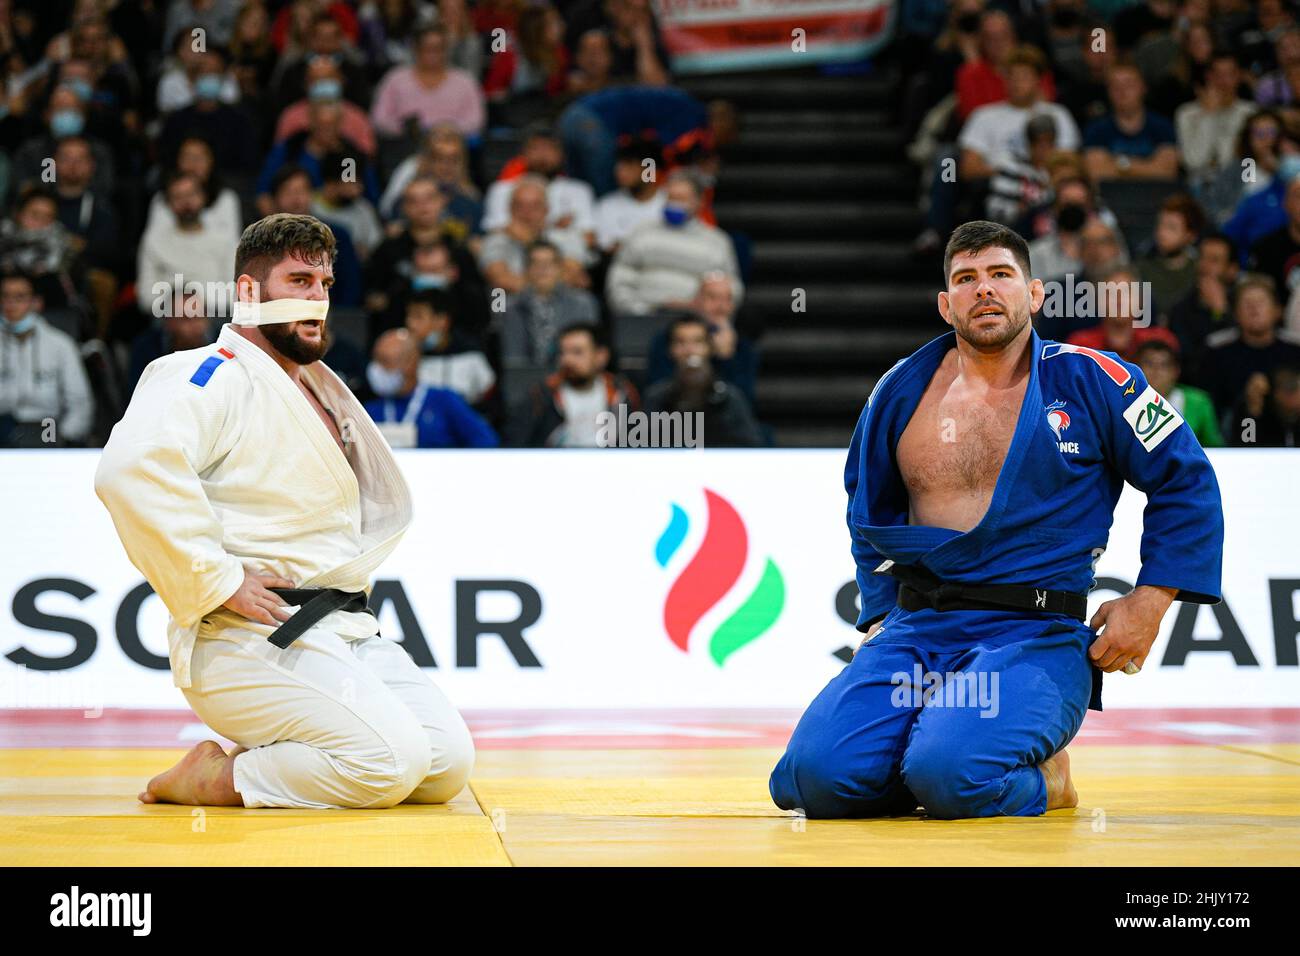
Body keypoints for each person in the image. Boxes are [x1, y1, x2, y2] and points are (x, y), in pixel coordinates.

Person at [770, 220, 1223, 820]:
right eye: (966, 279)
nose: (984, 290)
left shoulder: (1097, 379)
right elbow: (866, 508)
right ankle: (932, 758)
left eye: (1001, 275)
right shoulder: (898, 392)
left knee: (951, 776)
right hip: (919, 629)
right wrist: (880, 611)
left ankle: (1046, 781)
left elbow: (1186, 479)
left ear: (1034, 294)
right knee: (815, 782)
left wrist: (1153, 597)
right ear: (945, 302)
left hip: (1034, 634)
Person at [94, 213, 474, 809]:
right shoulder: (205, 373)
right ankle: (215, 781)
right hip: (249, 638)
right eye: (298, 280)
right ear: (248, 292)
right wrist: (217, 579)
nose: (317, 298)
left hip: (344, 628)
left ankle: (264, 760)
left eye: (324, 284)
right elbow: (131, 472)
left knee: (445, 766)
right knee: (389, 761)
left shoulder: (319, 386)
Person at [605, 170, 741, 318]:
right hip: (642, 318)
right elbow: (620, 277)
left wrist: (699, 309)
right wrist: (639, 310)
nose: (674, 204)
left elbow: (731, 289)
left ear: (700, 201)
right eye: (670, 197)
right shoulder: (641, 232)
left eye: (681, 198)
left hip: (697, 321)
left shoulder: (717, 242)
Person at [0, 269, 95, 447]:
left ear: (36, 303)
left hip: (47, 429)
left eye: (19, 297)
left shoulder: (60, 345)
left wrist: (63, 439)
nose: (10, 304)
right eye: (5, 297)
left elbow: (80, 404)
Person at [364, 328, 499, 448]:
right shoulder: (369, 410)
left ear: (411, 362)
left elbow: (487, 440)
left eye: (385, 361)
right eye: (375, 359)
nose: (376, 369)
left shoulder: (444, 400)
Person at [643, 314, 763, 447]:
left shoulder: (730, 398)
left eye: (697, 342)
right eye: (681, 342)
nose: (689, 350)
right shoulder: (656, 397)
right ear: (671, 349)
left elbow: (750, 447)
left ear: (709, 348)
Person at [513, 322, 638, 447]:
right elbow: (516, 446)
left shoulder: (622, 394)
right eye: (562, 352)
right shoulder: (540, 396)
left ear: (601, 356)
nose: (567, 360)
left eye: (577, 352)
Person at [501, 240, 600, 364]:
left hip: (572, 375)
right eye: (536, 263)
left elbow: (588, 354)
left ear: (560, 269)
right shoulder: (510, 307)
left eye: (549, 263)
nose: (543, 269)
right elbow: (512, 359)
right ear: (526, 270)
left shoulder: (584, 303)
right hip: (526, 377)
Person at [1135, 338, 1223, 447]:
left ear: (1176, 371)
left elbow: (1215, 447)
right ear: (1135, 369)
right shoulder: (1123, 401)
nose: (1156, 371)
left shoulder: (1199, 402)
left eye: (1164, 365)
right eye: (1149, 364)